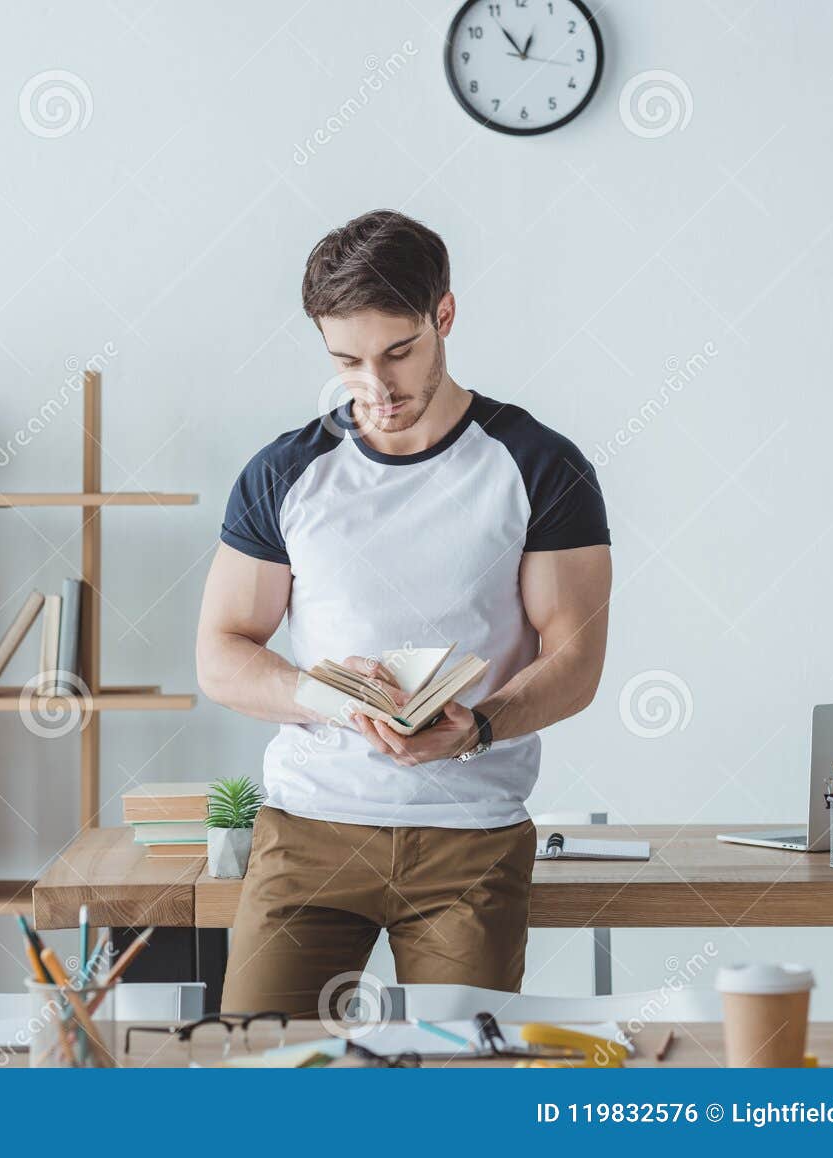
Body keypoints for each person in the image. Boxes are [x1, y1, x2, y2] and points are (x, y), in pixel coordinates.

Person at [195, 209, 613, 1016]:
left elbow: (577, 660)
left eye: (398, 352)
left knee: (461, 1088)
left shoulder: (539, 466)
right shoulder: (287, 472)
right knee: (259, 1073)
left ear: (443, 317)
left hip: (471, 837)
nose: (376, 388)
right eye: (346, 361)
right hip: (309, 828)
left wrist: (480, 726)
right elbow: (222, 650)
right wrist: (323, 696)